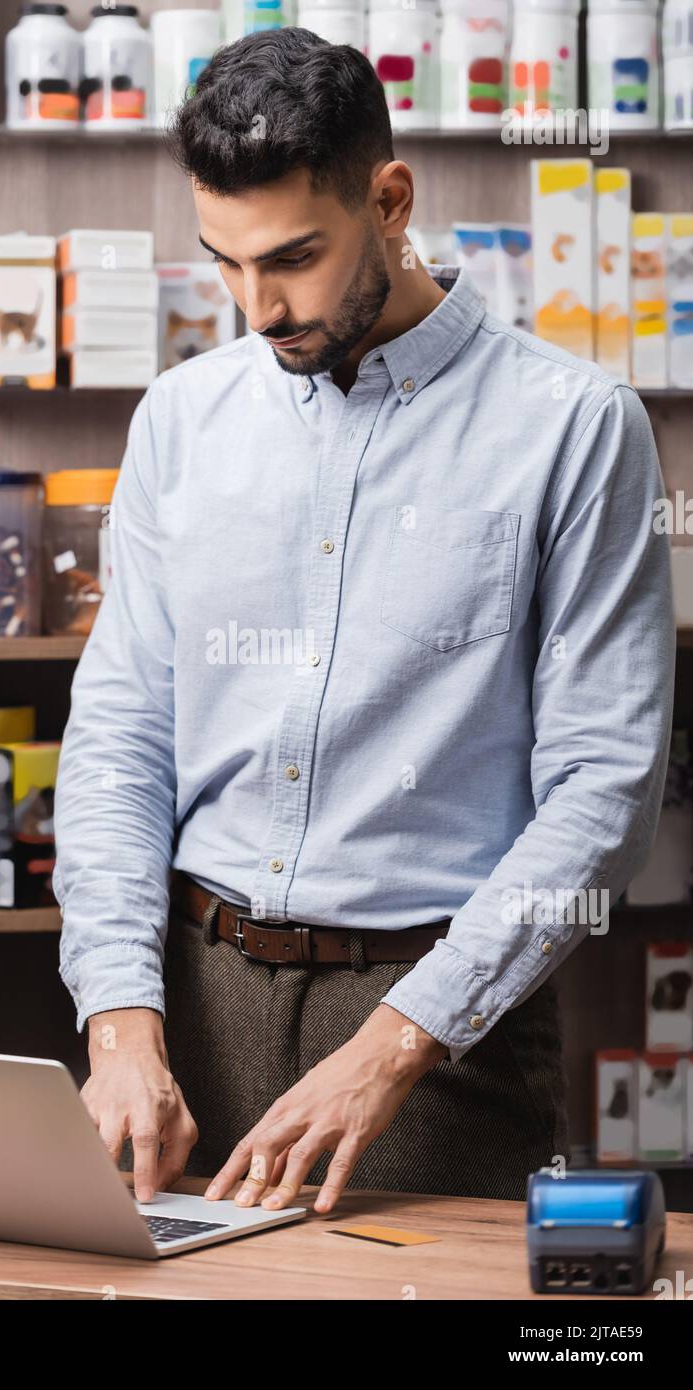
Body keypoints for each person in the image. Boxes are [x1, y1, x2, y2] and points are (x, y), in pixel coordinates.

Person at [53, 29, 674, 1215]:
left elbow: (602, 789)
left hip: (435, 1032)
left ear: (390, 200)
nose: (259, 307)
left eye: (294, 257)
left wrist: (400, 1040)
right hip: (187, 1005)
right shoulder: (182, 420)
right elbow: (123, 731)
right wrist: (121, 1022)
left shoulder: (576, 430)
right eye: (225, 264)